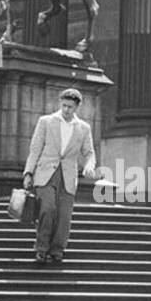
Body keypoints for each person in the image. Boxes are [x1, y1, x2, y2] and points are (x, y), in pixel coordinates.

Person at [22, 87, 96, 264]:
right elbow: (35, 149)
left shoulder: (83, 128)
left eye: (70, 107)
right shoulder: (46, 121)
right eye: (63, 105)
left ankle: (57, 250)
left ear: (77, 107)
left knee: (64, 215)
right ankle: (41, 249)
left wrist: (89, 166)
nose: (66, 110)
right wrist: (28, 173)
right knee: (47, 209)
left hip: (68, 177)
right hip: (45, 173)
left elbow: (89, 152)